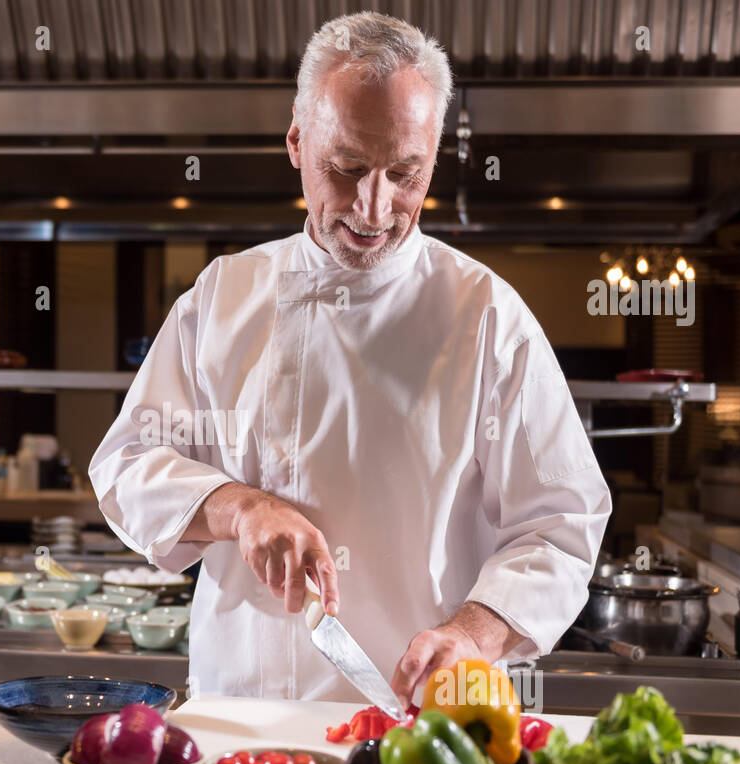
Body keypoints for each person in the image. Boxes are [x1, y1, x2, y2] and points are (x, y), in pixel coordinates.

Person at [88, 12, 611, 708]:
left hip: (415, 724)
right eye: (347, 168)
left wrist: (476, 634)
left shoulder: (487, 315)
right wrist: (236, 508)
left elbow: (561, 525)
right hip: (240, 712)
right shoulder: (224, 295)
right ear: (298, 142)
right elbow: (127, 465)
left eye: (405, 173)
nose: (374, 207)